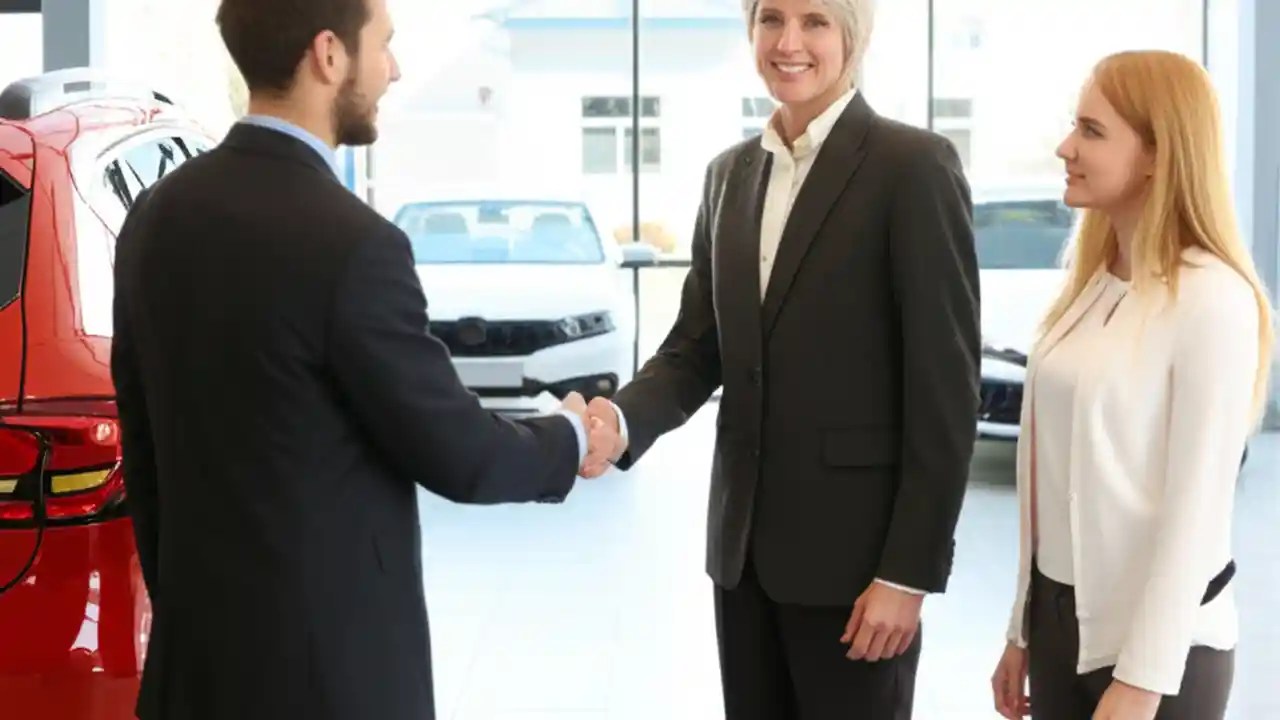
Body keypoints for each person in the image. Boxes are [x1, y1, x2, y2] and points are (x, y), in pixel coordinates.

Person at [109, 0, 619, 718]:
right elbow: (457, 451)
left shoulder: (154, 217)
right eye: (385, 46)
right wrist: (568, 434)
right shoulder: (353, 244)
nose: (395, 69)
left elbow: (145, 447)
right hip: (331, 682)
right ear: (327, 54)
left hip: (193, 670)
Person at [582, 0, 981, 716]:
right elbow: (695, 349)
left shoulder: (911, 167)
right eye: (771, 19)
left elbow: (946, 392)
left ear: (853, 36)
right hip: (743, 559)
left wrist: (908, 573)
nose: (788, 42)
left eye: (815, 21)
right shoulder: (728, 176)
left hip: (860, 572)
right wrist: (618, 420)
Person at [990, 50, 1275, 720]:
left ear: (1157, 153)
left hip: (1163, 652)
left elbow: (1198, 512)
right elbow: (1049, 485)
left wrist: (1143, 679)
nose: (1066, 147)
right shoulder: (1090, 286)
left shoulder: (1213, 299)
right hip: (1062, 630)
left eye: (1091, 131)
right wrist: (1021, 631)